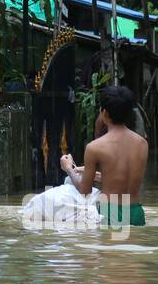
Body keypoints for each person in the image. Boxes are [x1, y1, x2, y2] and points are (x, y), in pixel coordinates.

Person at [61, 85, 148, 226]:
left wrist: (69, 169)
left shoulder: (94, 147)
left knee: (108, 248)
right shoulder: (142, 144)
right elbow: (124, 178)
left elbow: (85, 191)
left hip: (110, 211)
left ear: (104, 113)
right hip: (136, 212)